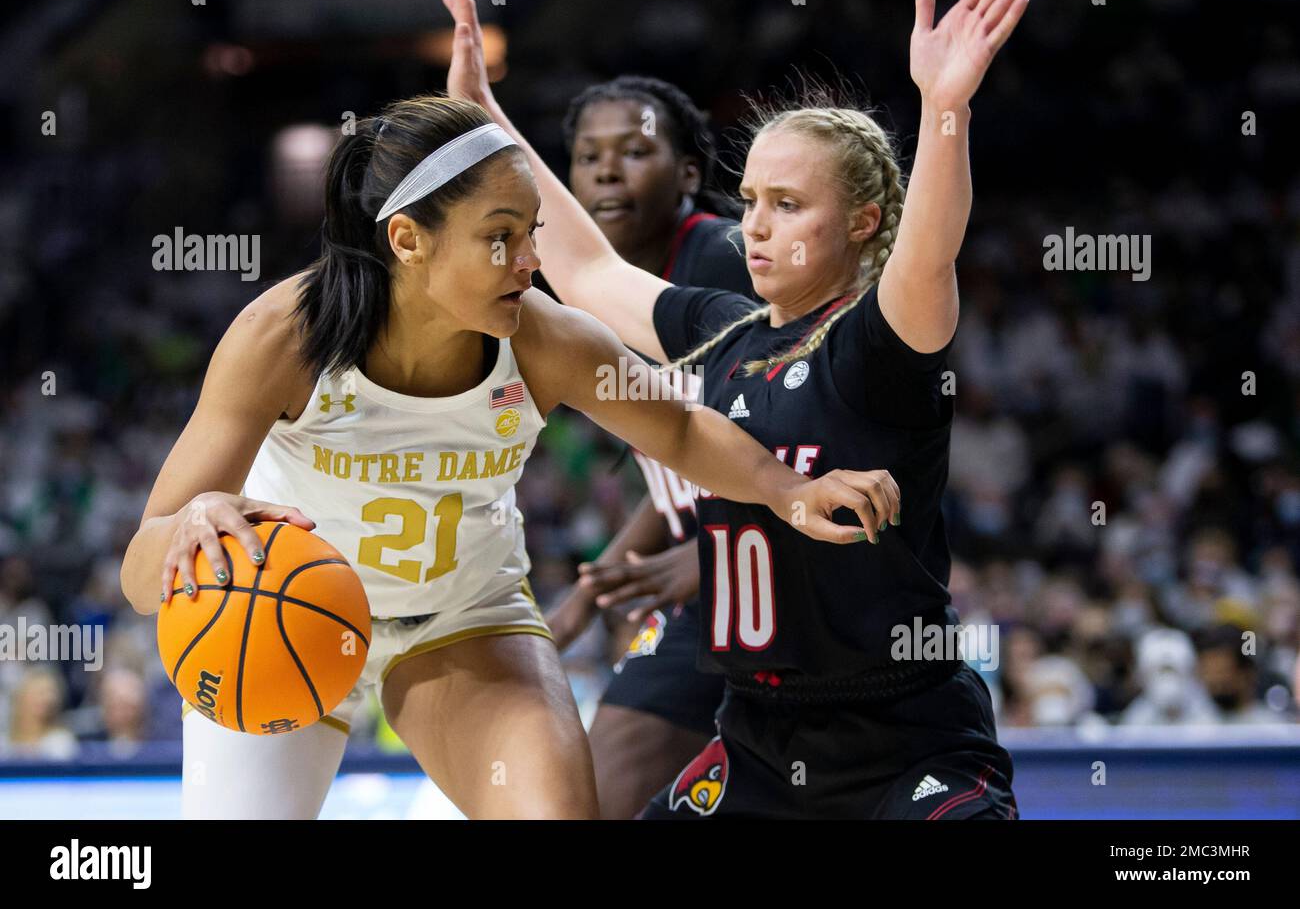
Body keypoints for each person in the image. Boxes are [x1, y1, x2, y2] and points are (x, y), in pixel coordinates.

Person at [119, 92, 898, 819]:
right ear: (407, 240)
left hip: (462, 623)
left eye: (532, 232)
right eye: (501, 236)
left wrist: (789, 490)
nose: (530, 260)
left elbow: (684, 431)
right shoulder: (283, 337)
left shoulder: (544, 338)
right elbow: (139, 570)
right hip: (276, 613)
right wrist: (192, 520)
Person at [442, 0, 1031, 817]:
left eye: (788, 205)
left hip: (902, 735)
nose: (755, 224)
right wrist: (484, 117)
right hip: (756, 735)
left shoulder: (880, 343)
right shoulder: (724, 330)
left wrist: (945, 112)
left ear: (863, 222)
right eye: (750, 199)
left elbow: (930, 250)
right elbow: (587, 270)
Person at [541, 75, 753, 818]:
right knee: (594, 796)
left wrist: (709, 557)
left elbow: (804, 436)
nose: (605, 169)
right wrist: (592, 589)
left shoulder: (727, 258)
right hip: (711, 589)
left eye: (635, 150)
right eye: (587, 155)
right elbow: (681, 476)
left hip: (791, 572)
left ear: (688, 173)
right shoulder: (604, 296)